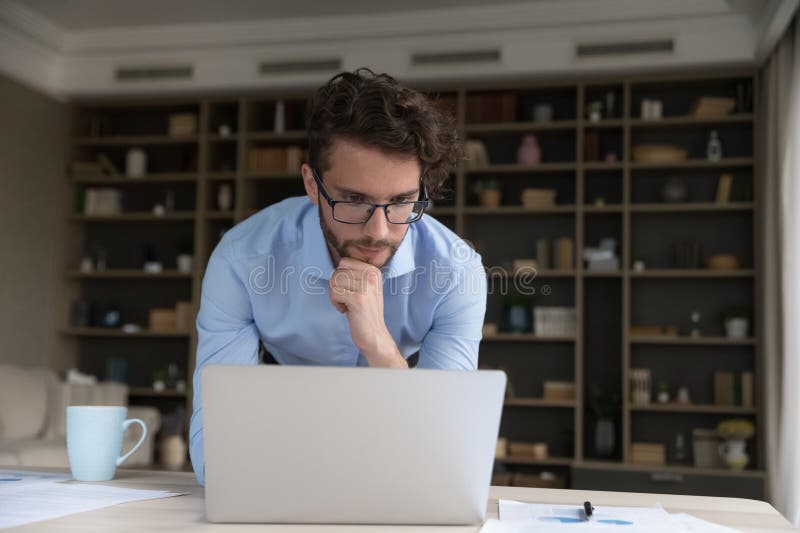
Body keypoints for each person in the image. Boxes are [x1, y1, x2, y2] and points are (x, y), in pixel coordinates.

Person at [189, 68, 487, 485]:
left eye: (401, 202)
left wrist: (381, 347)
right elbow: (214, 454)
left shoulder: (456, 273)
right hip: (284, 460)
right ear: (312, 184)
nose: (379, 232)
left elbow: (446, 458)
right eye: (353, 200)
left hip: (395, 475)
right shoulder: (242, 261)